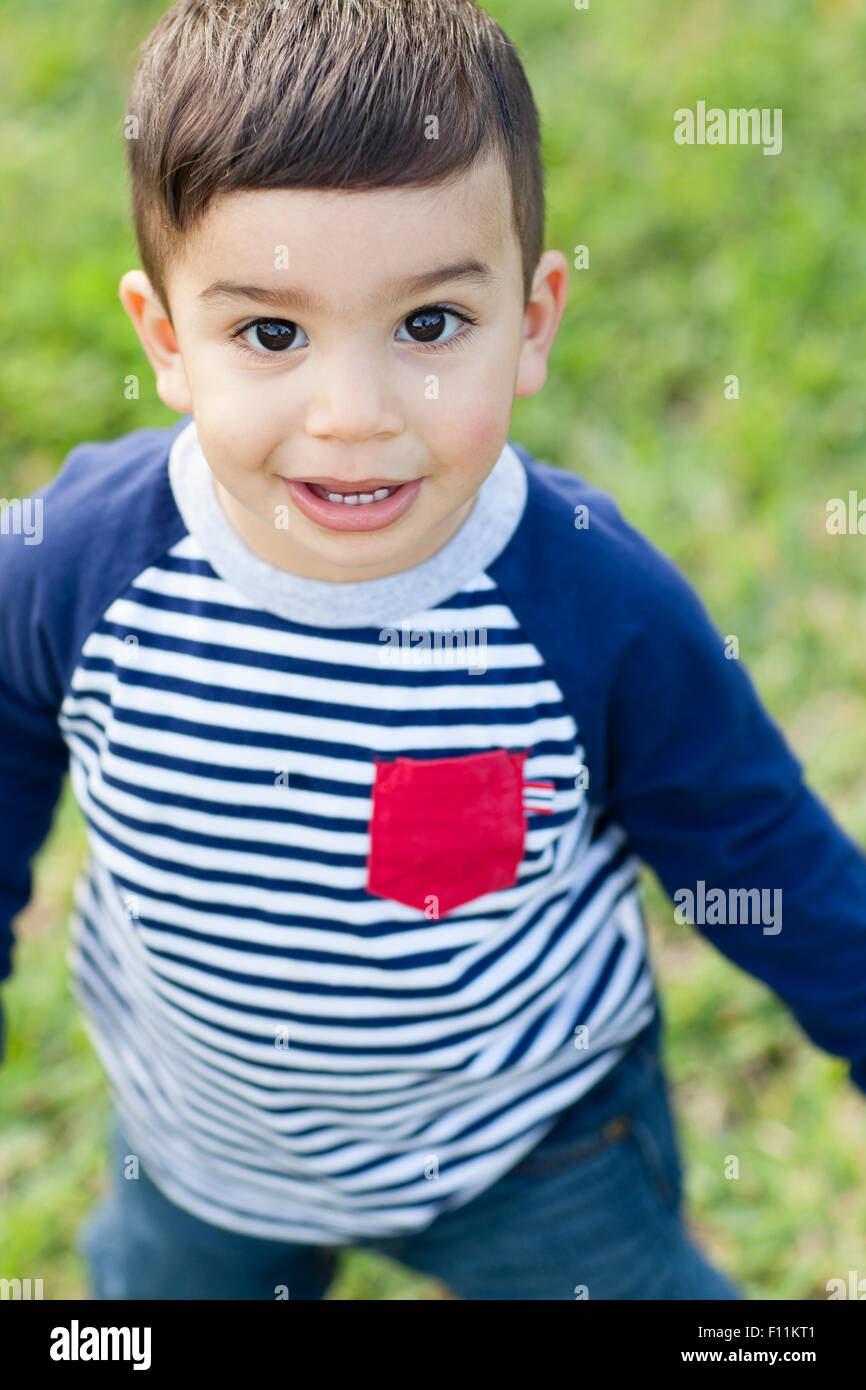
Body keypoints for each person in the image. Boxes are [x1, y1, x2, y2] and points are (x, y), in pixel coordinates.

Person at [2, 0, 864, 1301]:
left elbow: (753, 845)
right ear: (166, 338)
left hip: (530, 1151)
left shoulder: (591, 601)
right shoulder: (73, 561)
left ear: (530, 318)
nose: (352, 418)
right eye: (271, 334)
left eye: (427, 326)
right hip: (195, 1153)